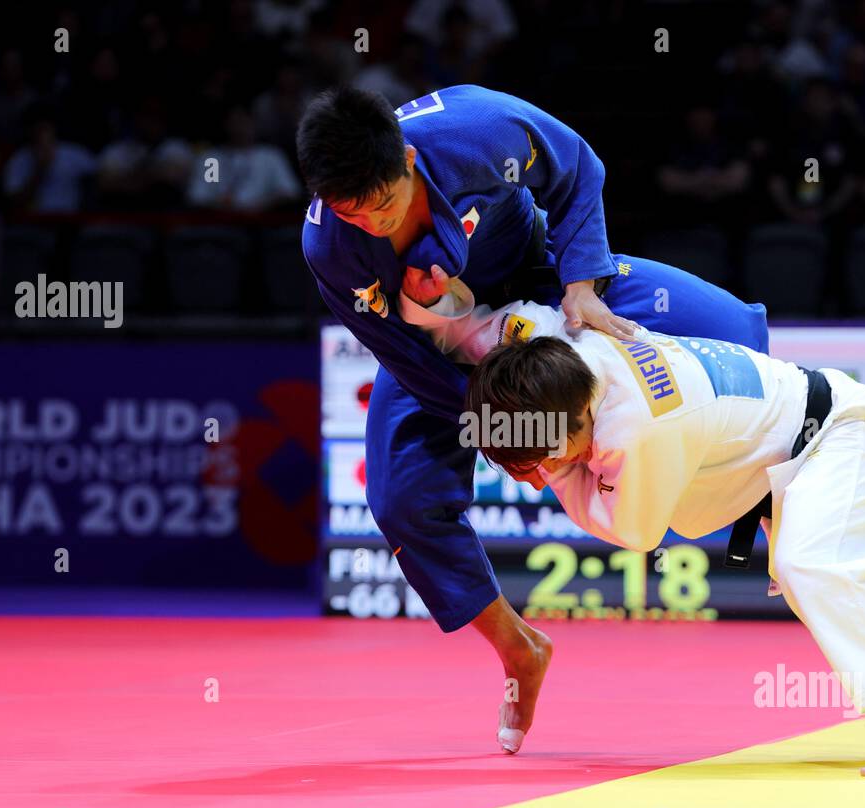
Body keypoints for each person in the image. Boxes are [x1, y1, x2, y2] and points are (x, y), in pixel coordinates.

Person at [451, 285, 865, 775]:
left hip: (847, 438)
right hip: (805, 462)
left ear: (577, 420)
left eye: (541, 461)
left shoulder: (642, 425)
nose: (535, 475)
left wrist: (563, 478)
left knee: (811, 568)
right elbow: (500, 325)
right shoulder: (556, 349)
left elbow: (636, 529)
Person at [298, 85, 768, 754]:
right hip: (445, 353)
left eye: (384, 205)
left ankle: (767, 496)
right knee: (400, 497)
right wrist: (502, 432)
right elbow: (402, 355)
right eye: (353, 214)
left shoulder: (475, 130)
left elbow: (577, 165)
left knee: (724, 325)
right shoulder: (329, 249)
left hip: (540, 275)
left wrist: (581, 286)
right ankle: (518, 648)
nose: (372, 224)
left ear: (407, 161)